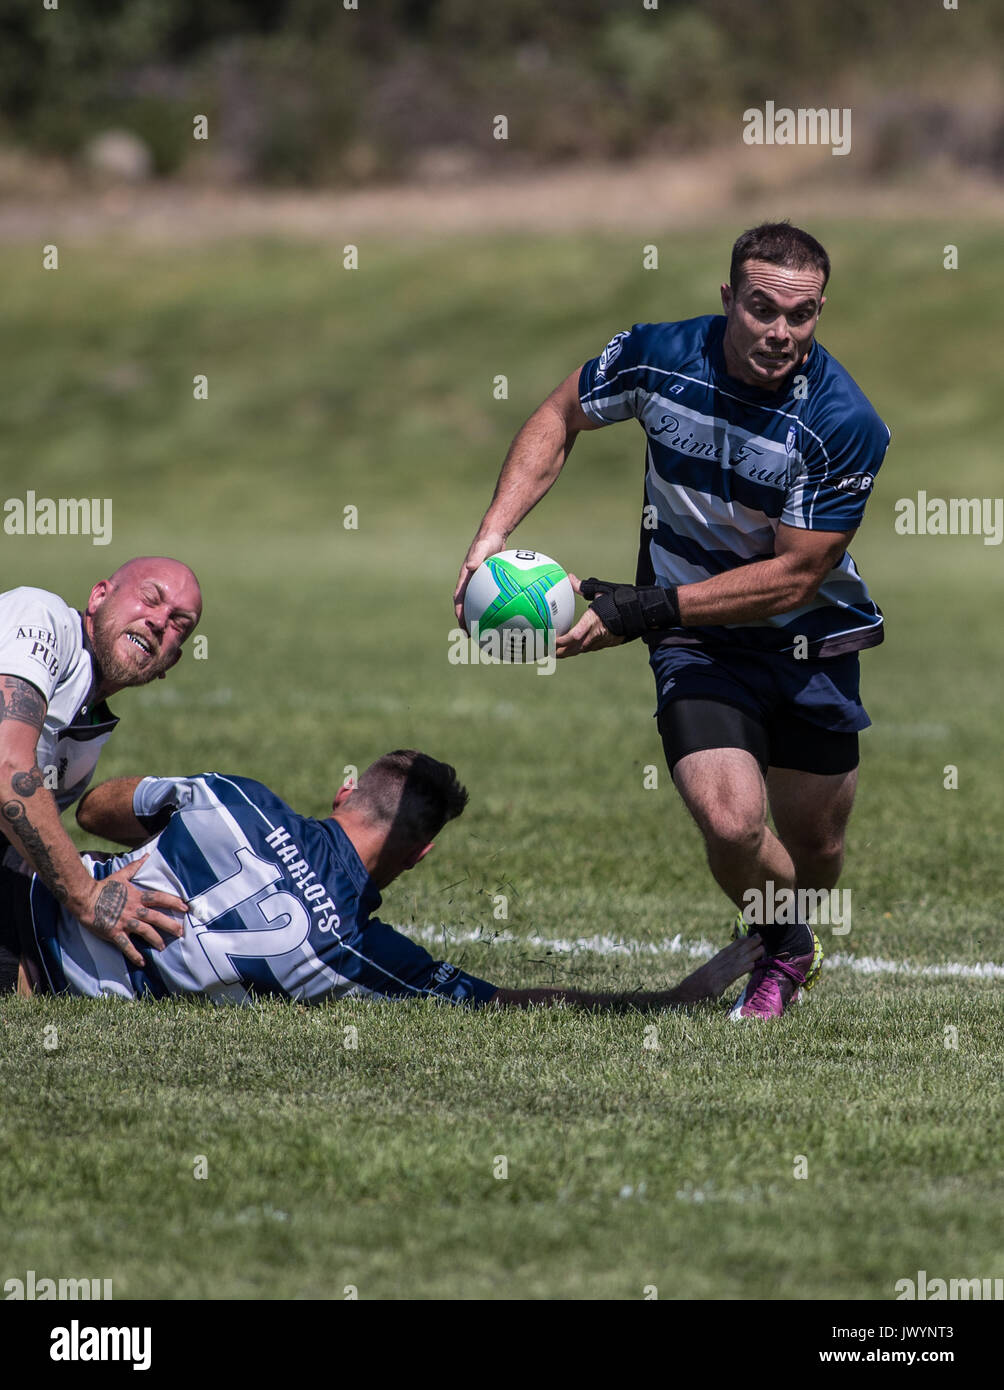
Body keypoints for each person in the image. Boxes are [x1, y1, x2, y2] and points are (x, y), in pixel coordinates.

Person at [453, 223, 890, 1019]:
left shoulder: (840, 420)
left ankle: (788, 932)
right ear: (730, 299)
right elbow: (560, 415)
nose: (780, 332)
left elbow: (796, 574)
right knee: (731, 823)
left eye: (802, 315)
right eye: (762, 309)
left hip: (809, 639)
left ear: (821, 311)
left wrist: (646, 606)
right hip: (697, 641)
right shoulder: (658, 357)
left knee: (815, 851)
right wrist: (493, 532)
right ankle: (785, 954)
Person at [2, 749, 763, 1009]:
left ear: (343, 794)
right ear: (421, 853)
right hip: (53, 980)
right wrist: (672, 997)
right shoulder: (355, 950)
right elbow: (505, 1004)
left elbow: (96, 811)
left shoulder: (231, 796)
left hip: (22, 894)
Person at [0, 558, 202, 973]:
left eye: (179, 623)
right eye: (150, 598)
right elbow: (7, 769)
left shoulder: (86, 741)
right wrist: (87, 896)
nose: (160, 621)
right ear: (98, 597)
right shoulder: (41, 616)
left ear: (171, 663)